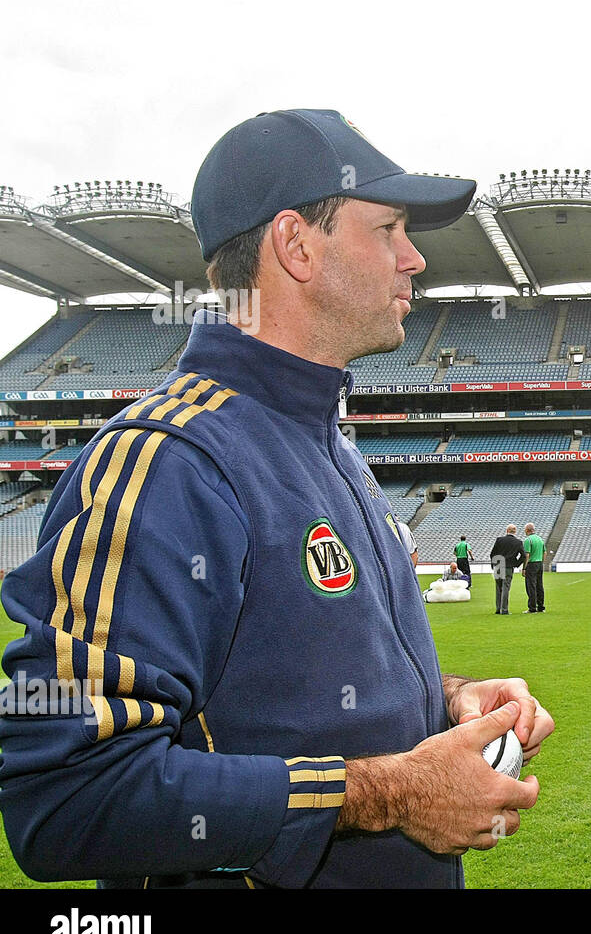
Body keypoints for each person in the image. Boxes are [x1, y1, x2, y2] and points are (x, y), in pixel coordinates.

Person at [0, 109, 554, 888]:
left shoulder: (330, 447)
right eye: (389, 229)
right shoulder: (166, 462)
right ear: (295, 245)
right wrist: (393, 794)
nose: (415, 258)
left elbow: (298, 697)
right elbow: (65, 795)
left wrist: (450, 701)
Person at [490, 523, 526, 615]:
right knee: (506, 587)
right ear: (515, 532)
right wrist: (516, 564)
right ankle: (504, 609)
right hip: (508, 567)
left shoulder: (499, 540)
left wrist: (493, 565)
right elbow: (523, 556)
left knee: (498, 588)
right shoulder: (518, 542)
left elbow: (492, 553)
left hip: (498, 565)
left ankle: (498, 609)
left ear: (507, 531)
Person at [522, 522, 546, 613]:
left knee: (531, 586)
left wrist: (524, 568)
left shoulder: (528, 540)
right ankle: (541, 606)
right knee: (539, 585)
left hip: (531, 564)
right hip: (539, 563)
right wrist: (541, 562)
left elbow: (527, 555)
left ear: (527, 530)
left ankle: (532, 608)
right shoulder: (540, 539)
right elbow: (545, 553)